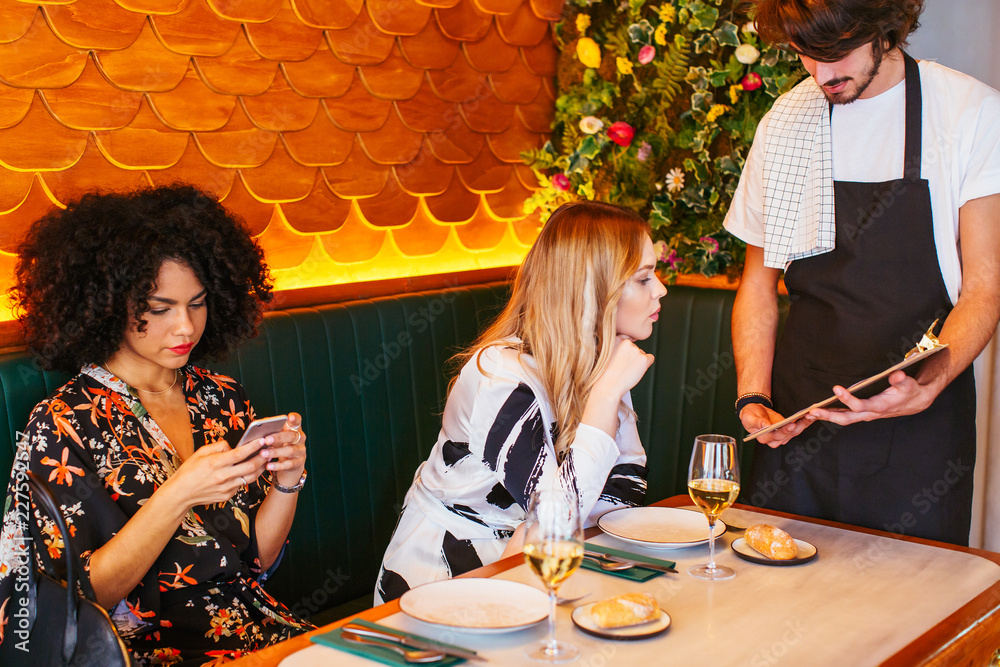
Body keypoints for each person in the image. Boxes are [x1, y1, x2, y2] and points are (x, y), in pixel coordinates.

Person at [0, 185, 312, 664]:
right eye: (159, 308)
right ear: (104, 304)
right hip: (146, 653)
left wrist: (288, 482)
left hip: (261, 632)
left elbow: (256, 562)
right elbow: (80, 600)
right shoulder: (64, 425)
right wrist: (178, 493)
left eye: (198, 303)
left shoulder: (220, 398)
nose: (185, 327)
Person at [726, 0, 1000, 544]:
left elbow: (984, 288)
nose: (822, 76)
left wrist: (931, 384)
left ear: (883, 27)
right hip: (799, 421)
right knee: (778, 602)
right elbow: (757, 283)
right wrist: (753, 397)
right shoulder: (786, 123)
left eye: (838, 54)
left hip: (919, 432)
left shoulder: (967, 111)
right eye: (807, 55)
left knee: (912, 607)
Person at [375, 201, 666, 603]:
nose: (661, 289)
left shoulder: (604, 357)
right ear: (592, 288)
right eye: (644, 278)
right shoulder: (498, 374)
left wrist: (542, 531)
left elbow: (626, 486)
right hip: (450, 576)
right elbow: (557, 520)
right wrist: (604, 395)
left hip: (540, 565)